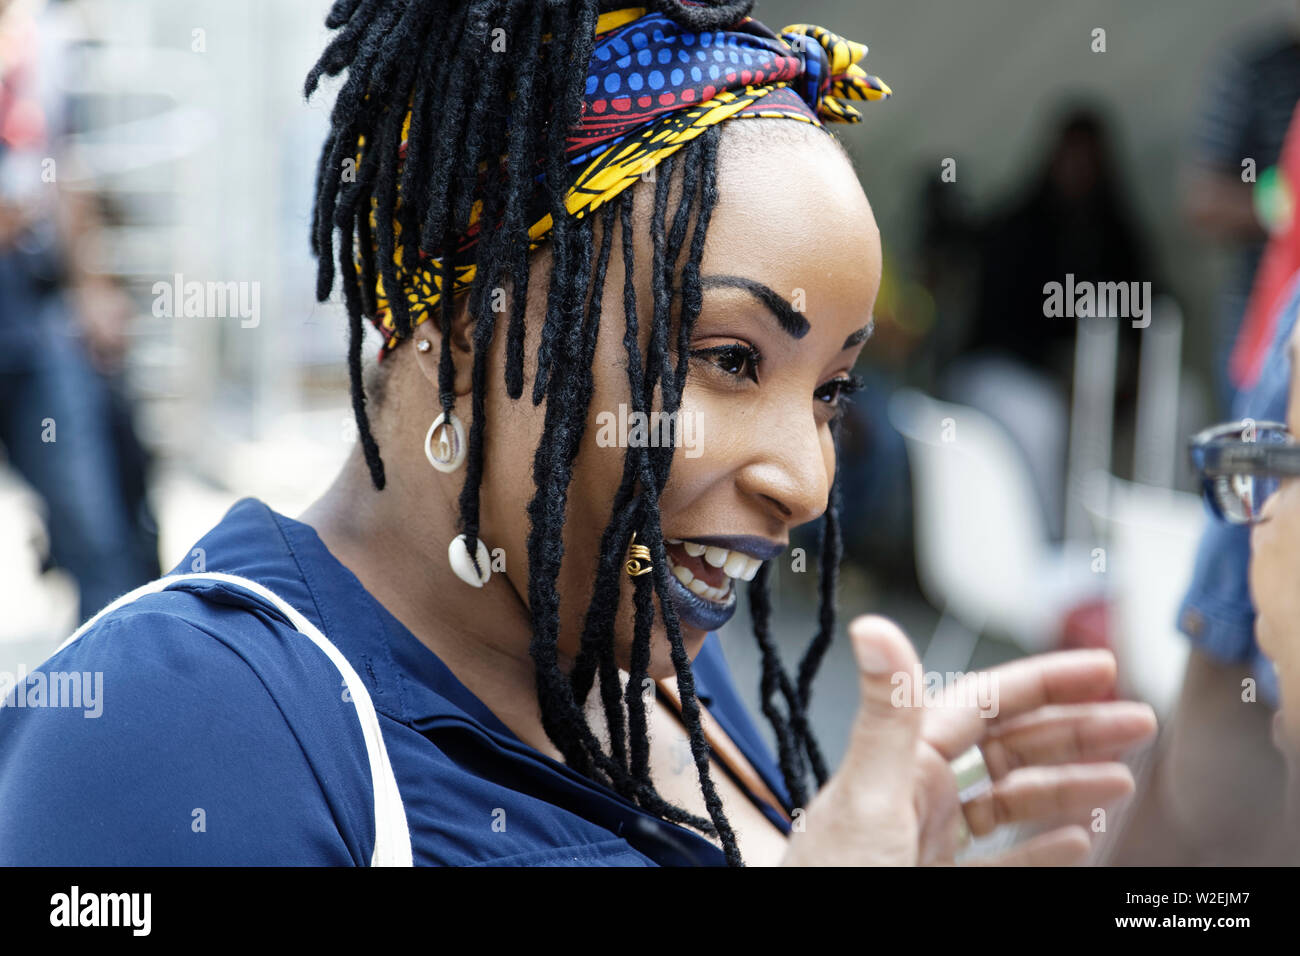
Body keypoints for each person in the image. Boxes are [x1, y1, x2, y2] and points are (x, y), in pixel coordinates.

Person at [0, 0, 1156, 867]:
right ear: (460, 321)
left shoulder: (653, 686)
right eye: (729, 360)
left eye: (831, 392)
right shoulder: (179, 727)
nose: (806, 479)